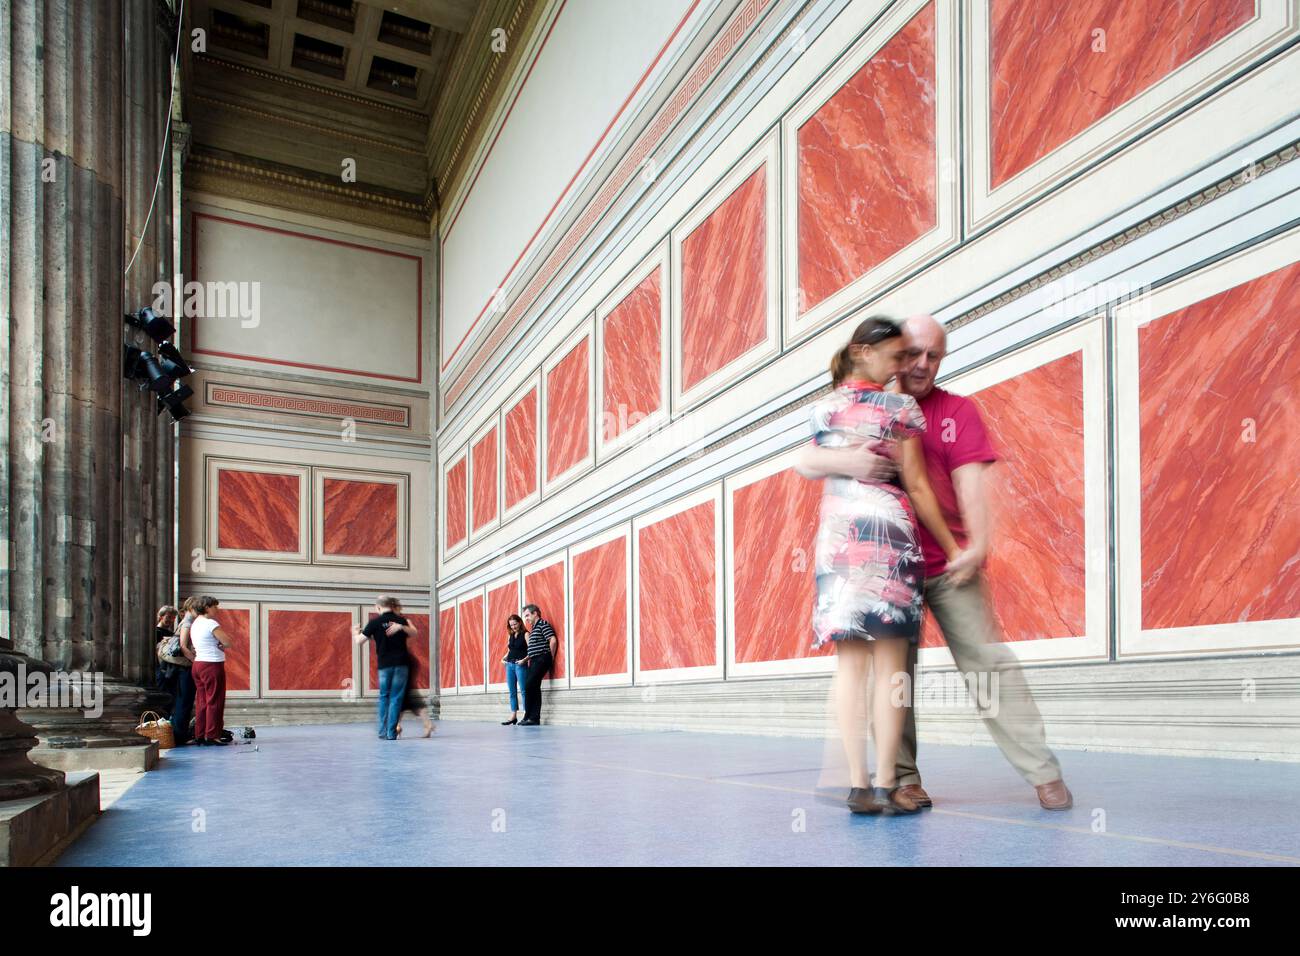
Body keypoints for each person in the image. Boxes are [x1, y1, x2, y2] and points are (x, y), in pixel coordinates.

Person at [886, 312, 1073, 810]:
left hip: (951, 566)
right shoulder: (872, 407)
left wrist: (977, 546)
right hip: (889, 569)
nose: (923, 364)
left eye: (934, 356)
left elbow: (971, 483)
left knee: (989, 665)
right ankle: (903, 778)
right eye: (913, 353)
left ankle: (1043, 773)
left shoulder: (957, 412)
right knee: (893, 678)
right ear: (896, 353)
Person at [795, 315, 975, 815]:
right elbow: (917, 486)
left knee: (850, 668)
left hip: (838, 543)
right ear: (862, 352)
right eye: (896, 356)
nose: (902, 366)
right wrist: (952, 545)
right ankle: (886, 783)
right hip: (891, 543)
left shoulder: (822, 409)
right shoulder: (901, 407)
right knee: (893, 672)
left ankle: (859, 787)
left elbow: (808, 464)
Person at [353, 595, 419, 741]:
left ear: (378, 607)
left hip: (384, 665)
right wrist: (401, 626)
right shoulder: (401, 620)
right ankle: (391, 733)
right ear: (391, 605)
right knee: (396, 698)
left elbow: (359, 641)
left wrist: (355, 632)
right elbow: (415, 633)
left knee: (384, 697)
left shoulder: (374, 623)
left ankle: (382, 732)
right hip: (401, 664)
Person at [184, 596, 233, 747]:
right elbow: (227, 642)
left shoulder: (195, 623)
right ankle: (212, 735)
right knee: (215, 700)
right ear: (206, 607)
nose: (217, 609)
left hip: (198, 664)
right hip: (212, 664)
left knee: (202, 701)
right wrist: (220, 644)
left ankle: (200, 734)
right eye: (214, 606)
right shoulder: (210, 623)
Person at [518, 604, 557, 726]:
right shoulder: (535, 627)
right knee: (532, 687)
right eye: (525, 617)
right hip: (534, 660)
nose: (526, 619)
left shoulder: (543, 624)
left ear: (535, 613)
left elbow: (553, 640)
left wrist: (551, 657)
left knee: (529, 685)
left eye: (528, 615)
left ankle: (533, 717)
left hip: (542, 658)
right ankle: (530, 717)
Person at [170, 598, 198, 744]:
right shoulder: (187, 622)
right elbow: (183, 646)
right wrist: (196, 661)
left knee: (184, 701)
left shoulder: (187, 621)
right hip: (184, 668)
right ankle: (180, 736)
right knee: (184, 701)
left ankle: (180, 734)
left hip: (184, 667)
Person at [394, 646, 435, 738]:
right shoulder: (408, 655)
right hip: (406, 670)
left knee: (402, 703)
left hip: (402, 670)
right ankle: (427, 724)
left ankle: (397, 726)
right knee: (407, 703)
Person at [500, 614, 529, 725]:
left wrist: (524, 661)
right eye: (511, 625)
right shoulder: (510, 636)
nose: (513, 627)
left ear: (520, 622)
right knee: (512, 692)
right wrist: (503, 659)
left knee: (523, 691)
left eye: (515, 624)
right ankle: (513, 715)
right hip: (510, 665)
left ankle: (526, 714)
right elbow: (509, 651)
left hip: (520, 664)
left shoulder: (526, 634)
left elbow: (531, 651)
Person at [153, 605, 180, 714]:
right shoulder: (156, 632)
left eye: (173, 617)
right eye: (168, 617)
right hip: (160, 668)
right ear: (160, 616)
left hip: (170, 668)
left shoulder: (171, 634)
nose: (171, 620)